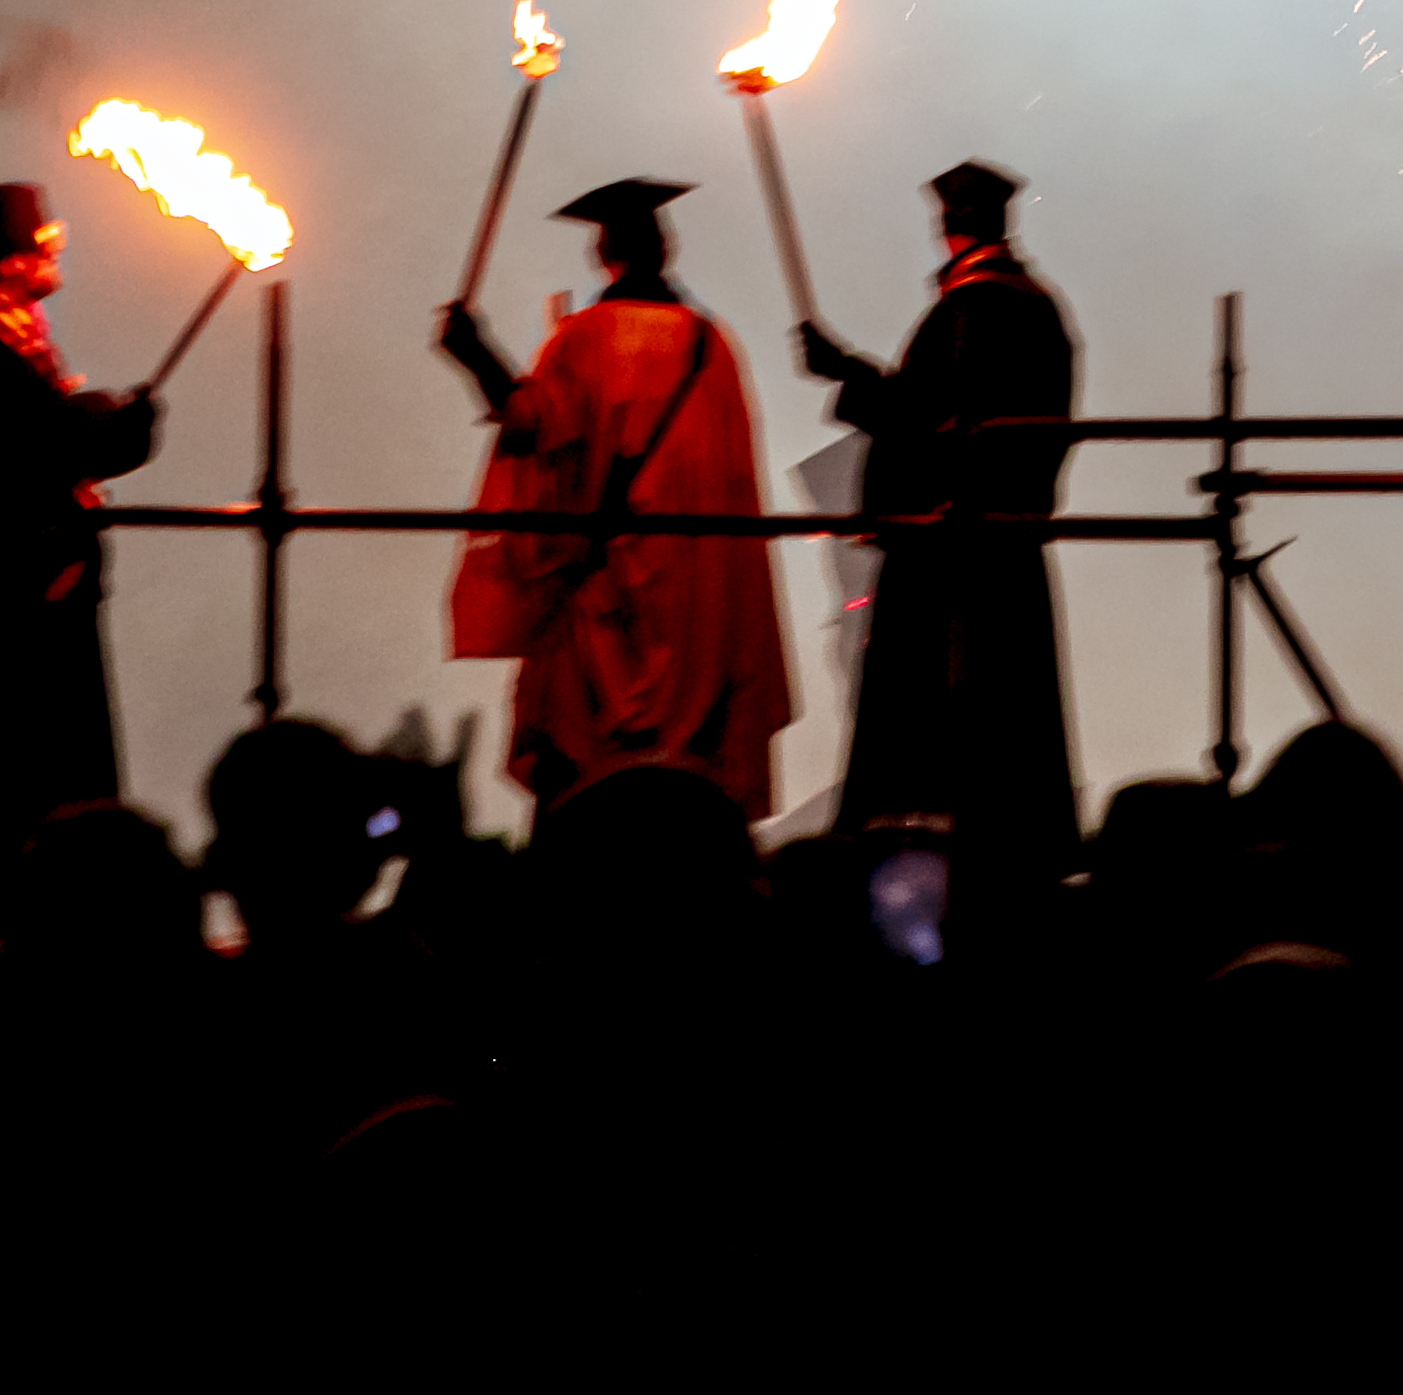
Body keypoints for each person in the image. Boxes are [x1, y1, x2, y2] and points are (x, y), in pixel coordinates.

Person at [432, 181, 794, 824]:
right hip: (702, 606)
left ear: (603, 255)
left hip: (606, 598)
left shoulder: (585, 338)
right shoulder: (713, 347)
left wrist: (475, 354)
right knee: (685, 791)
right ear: (665, 250)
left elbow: (532, 426)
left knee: (591, 777)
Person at [790, 157, 1083, 874]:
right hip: (1008, 548)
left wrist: (845, 369)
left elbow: (924, 421)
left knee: (929, 727)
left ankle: (911, 852)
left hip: (947, 559)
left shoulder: (969, 309)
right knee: (1012, 721)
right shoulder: (1041, 310)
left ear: (947, 228)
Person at [0, 181, 158, 867]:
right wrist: (102, 426)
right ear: (6, 260)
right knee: (16, 785)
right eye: (42, 242)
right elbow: (23, 456)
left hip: (51, 590)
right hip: (18, 592)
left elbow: (58, 439)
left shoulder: (13, 330)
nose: (55, 252)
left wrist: (114, 424)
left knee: (68, 774)